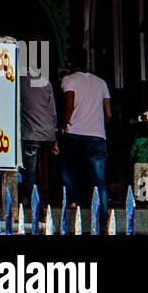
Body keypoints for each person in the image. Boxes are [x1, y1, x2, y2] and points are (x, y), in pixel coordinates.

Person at [59, 52, 111, 230]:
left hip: (74, 133)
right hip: (97, 136)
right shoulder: (101, 82)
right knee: (100, 180)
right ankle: (103, 223)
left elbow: (69, 105)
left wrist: (64, 126)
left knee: (68, 168)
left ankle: (74, 199)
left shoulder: (69, 80)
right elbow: (109, 113)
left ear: (71, 64)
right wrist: (97, 126)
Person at [19, 64, 58, 203]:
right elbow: (52, 111)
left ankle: (35, 206)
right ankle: (32, 197)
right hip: (47, 132)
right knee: (38, 170)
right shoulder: (45, 81)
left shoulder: (17, 80)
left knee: (29, 172)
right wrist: (55, 139)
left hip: (30, 133)